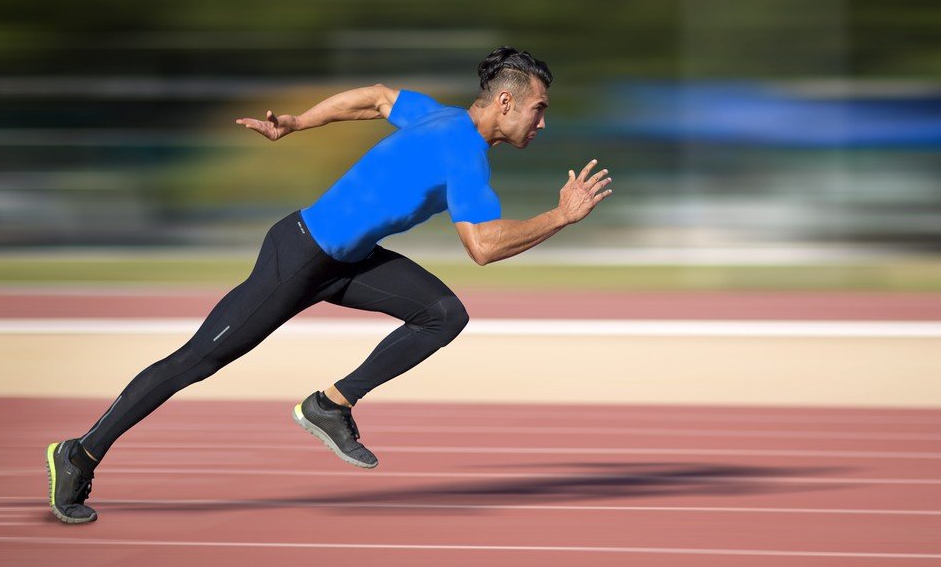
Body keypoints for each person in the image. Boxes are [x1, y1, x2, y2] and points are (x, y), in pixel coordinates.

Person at [45, 46, 613, 524]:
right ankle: (80, 453)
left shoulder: (436, 116)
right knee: (196, 360)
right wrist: (561, 216)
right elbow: (483, 246)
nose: (542, 123)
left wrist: (299, 123)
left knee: (443, 313)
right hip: (299, 257)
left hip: (348, 262)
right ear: (506, 102)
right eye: (539, 109)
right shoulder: (463, 153)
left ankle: (330, 405)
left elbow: (376, 98)